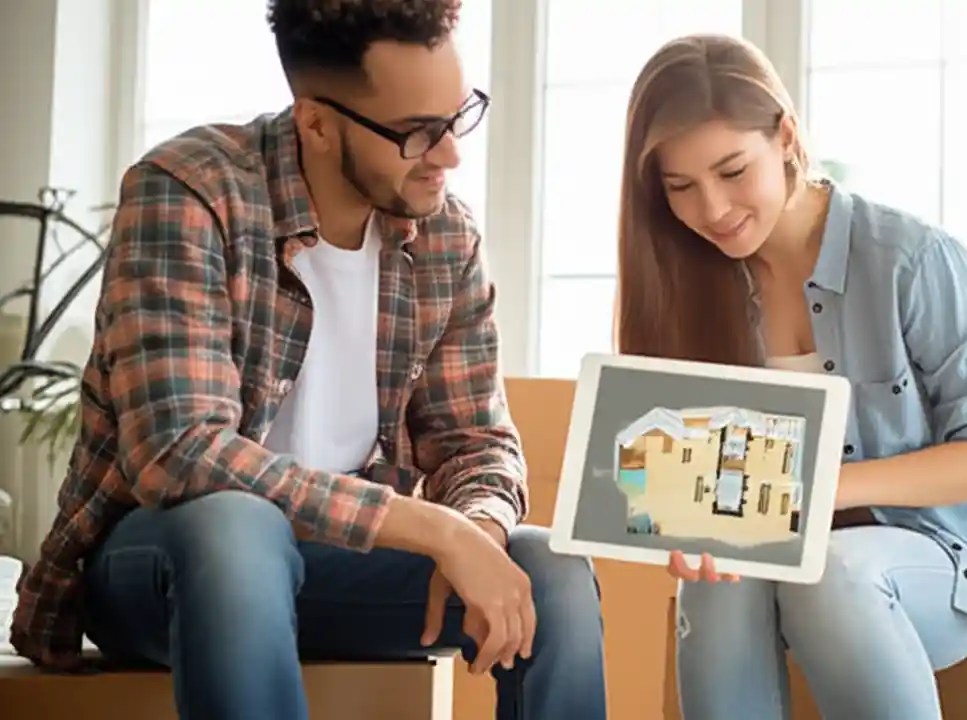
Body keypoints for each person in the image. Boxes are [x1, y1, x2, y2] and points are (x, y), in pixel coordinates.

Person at [8, 2, 607, 718]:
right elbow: (181, 452)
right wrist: (433, 529)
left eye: (458, 115)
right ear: (317, 122)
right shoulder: (189, 191)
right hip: (171, 569)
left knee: (551, 570)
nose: (451, 154)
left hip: (332, 572)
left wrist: (475, 531)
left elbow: (476, 443)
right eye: (417, 132)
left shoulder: (445, 238)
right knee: (237, 527)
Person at [615, 34, 967, 720]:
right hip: (772, 563)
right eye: (681, 187)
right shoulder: (686, 280)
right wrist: (671, 513)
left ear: (786, 136)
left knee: (830, 571)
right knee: (717, 584)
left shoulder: (910, 260)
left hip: (933, 556)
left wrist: (818, 489)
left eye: (732, 170)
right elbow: (678, 477)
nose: (713, 210)